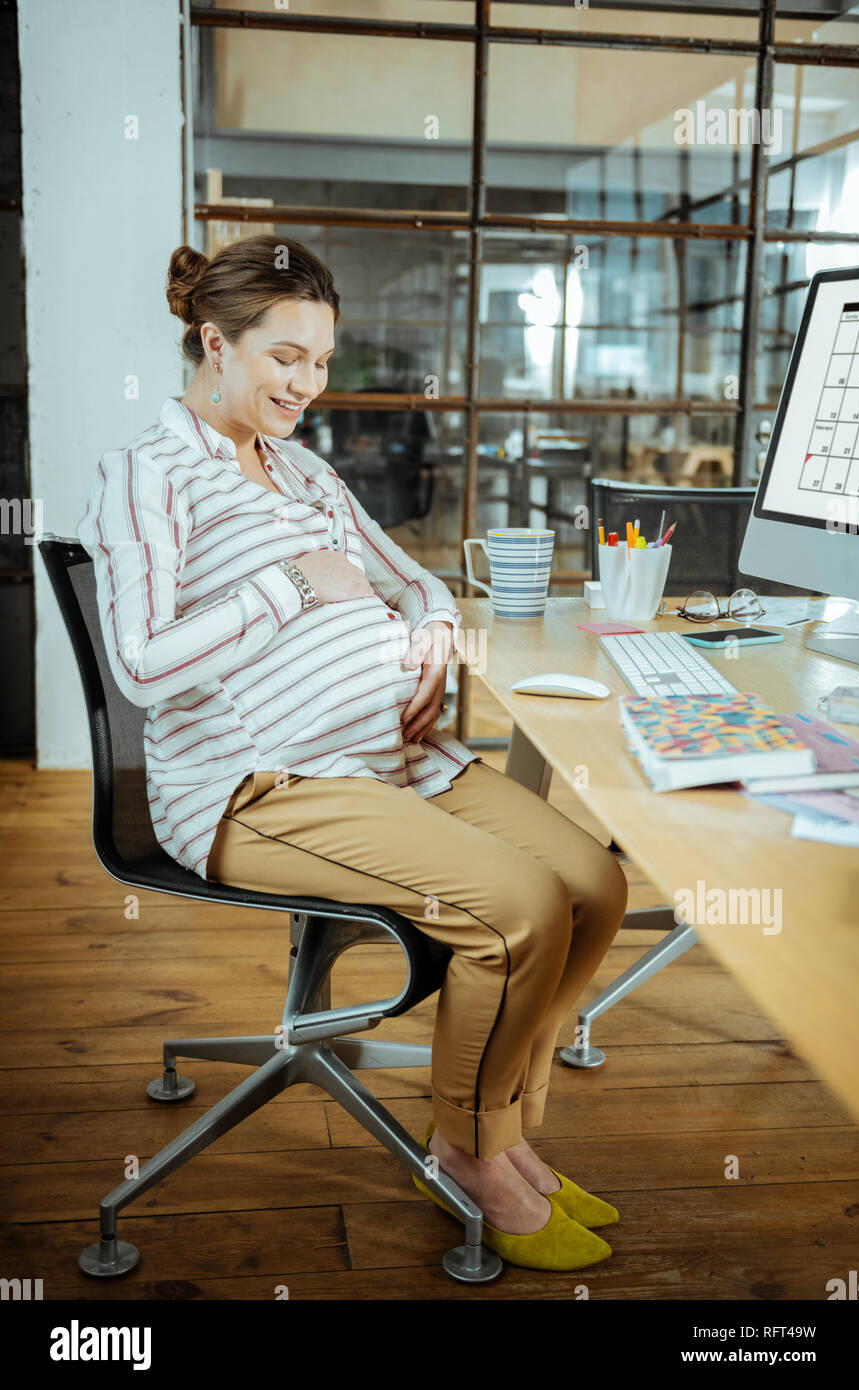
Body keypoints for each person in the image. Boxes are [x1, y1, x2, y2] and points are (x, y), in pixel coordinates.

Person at [77, 234, 629, 1272]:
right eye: (287, 358)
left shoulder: (302, 468)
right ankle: (468, 1152)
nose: (309, 383)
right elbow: (142, 664)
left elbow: (413, 579)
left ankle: (504, 1126)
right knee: (515, 906)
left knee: (592, 883)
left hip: (391, 756)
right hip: (261, 785)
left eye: (322, 361)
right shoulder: (145, 476)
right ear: (214, 342)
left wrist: (425, 632)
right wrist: (287, 584)